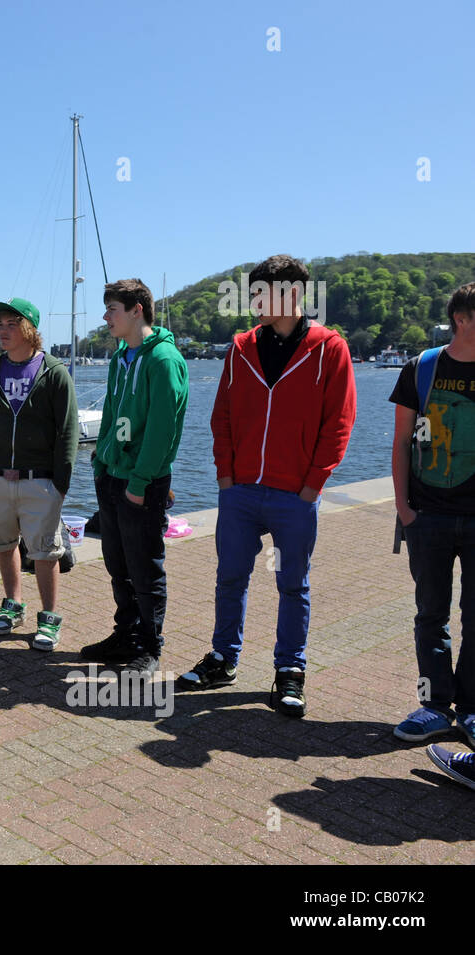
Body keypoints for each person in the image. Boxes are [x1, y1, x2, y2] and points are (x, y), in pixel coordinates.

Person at [178, 255, 356, 719]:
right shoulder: (240, 348)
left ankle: (290, 671)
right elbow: (223, 416)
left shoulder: (330, 348)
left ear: (293, 295)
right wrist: (225, 477)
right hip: (239, 493)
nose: (254, 302)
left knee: (292, 585)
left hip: (294, 496)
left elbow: (338, 423)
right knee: (230, 579)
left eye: (263, 293)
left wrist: (312, 486)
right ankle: (222, 659)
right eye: (252, 292)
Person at [81, 278, 189, 676]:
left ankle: (149, 646)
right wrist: (99, 462)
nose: (106, 317)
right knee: (117, 563)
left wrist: (141, 483)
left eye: (112, 309)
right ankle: (124, 635)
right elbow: (109, 415)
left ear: (135, 311)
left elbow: (163, 432)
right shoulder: (119, 358)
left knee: (145, 567)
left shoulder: (163, 361)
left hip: (142, 483)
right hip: (110, 476)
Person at [0, 296, 78, 651]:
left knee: (45, 552)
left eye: (11, 325)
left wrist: (60, 483)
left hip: (40, 479)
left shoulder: (54, 373)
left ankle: (49, 618)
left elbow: (68, 431)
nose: (3, 331)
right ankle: (13, 605)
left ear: (29, 330)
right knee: (3, 546)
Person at [390, 282, 475, 750]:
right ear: (462, 319)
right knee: (431, 614)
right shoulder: (422, 369)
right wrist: (405, 510)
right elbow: (402, 443)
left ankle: (472, 710)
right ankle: (435, 706)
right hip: (429, 516)